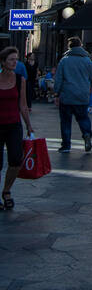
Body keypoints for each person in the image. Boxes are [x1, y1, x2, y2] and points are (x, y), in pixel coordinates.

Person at [0, 47, 34, 210]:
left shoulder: (20, 79)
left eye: (16, 59)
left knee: (15, 160)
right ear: (3, 62)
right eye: (11, 59)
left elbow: (23, 104)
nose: (15, 62)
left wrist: (29, 125)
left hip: (14, 125)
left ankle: (6, 190)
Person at [53, 36, 92, 154]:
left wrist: (56, 93)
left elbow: (59, 79)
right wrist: (89, 88)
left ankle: (66, 145)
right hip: (82, 95)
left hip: (67, 95)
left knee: (66, 121)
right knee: (83, 117)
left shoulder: (64, 60)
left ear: (69, 47)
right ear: (80, 45)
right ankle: (86, 134)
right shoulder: (87, 61)